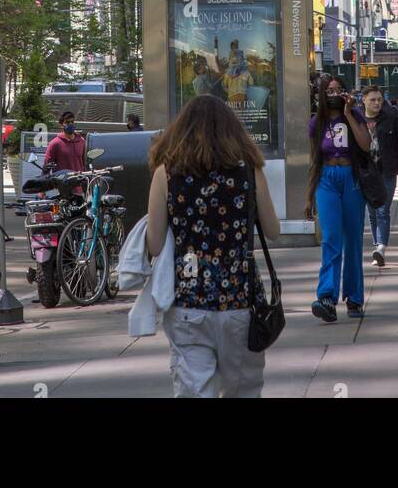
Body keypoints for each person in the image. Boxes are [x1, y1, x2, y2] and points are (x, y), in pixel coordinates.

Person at [146, 93, 280, 399]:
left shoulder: (165, 174)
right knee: (243, 389)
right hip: (240, 300)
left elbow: (154, 245)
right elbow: (272, 230)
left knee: (194, 390)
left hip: (188, 300)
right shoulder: (249, 172)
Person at [306, 74, 371, 321]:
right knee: (331, 237)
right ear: (322, 95)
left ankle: (354, 298)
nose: (333, 94)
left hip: (351, 178)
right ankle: (326, 297)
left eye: (338, 90)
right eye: (329, 91)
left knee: (353, 240)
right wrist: (308, 197)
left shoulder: (354, 116)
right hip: (326, 179)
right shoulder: (316, 123)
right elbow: (314, 160)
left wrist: (349, 113)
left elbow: (365, 144)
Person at [362, 85, 398, 266]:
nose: (377, 103)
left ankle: (381, 247)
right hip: (366, 172)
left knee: (382, 210)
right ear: (364, 100)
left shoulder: (392, 118)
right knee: (372, 212)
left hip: (387, 171)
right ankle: (377, 245)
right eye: (373, 100)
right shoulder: (357, 120)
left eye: (379, 100)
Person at [42, 110, 87, 175]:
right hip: (62, 183)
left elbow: (85, 163)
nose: (70, 124)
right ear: (61, 124)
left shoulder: (81, 141)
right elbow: (46, 166)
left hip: (79, 181)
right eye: (67, 122)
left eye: (72, 122)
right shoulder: (54, 143)